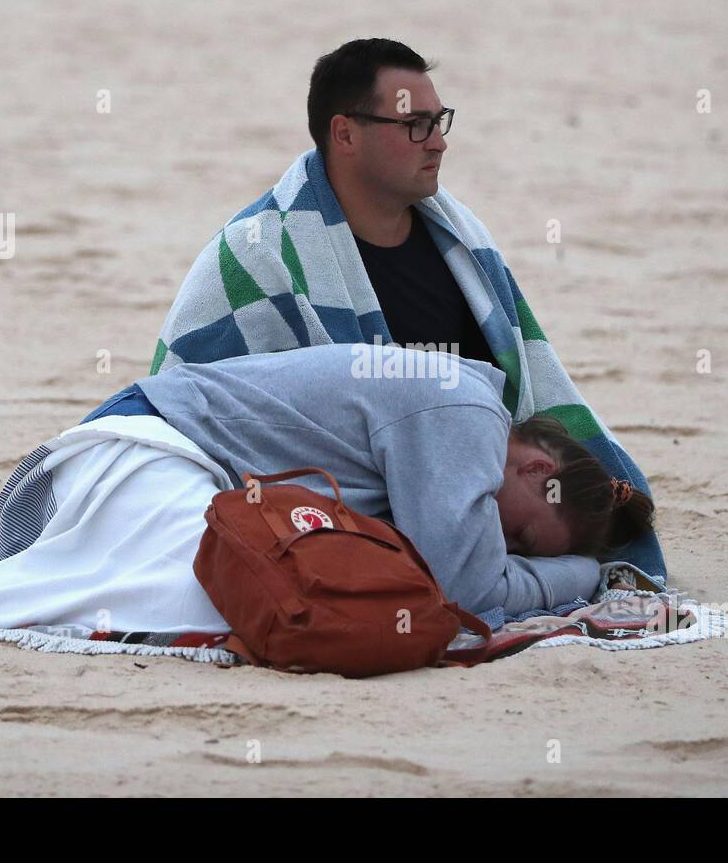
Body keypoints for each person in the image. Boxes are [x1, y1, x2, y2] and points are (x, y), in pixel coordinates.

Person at [149, 37, 669, 585]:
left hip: (467, 492)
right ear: (344, 133)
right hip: (321, 510)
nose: (439, 143)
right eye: (415, 124)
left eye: (440, 121)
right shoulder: (258, 253)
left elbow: (525, 389)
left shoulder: (461, 242)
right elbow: (184, 409)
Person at [0, 344, 654, 639]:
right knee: (231, 604)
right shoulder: (463, 413)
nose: (505, 546)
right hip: (138, 456)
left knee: (277, 601)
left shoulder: (460, 412)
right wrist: (577, 576)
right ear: (537, 472)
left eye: (521, 548)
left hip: (140, 477)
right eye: (522, 534)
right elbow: (470, 589)